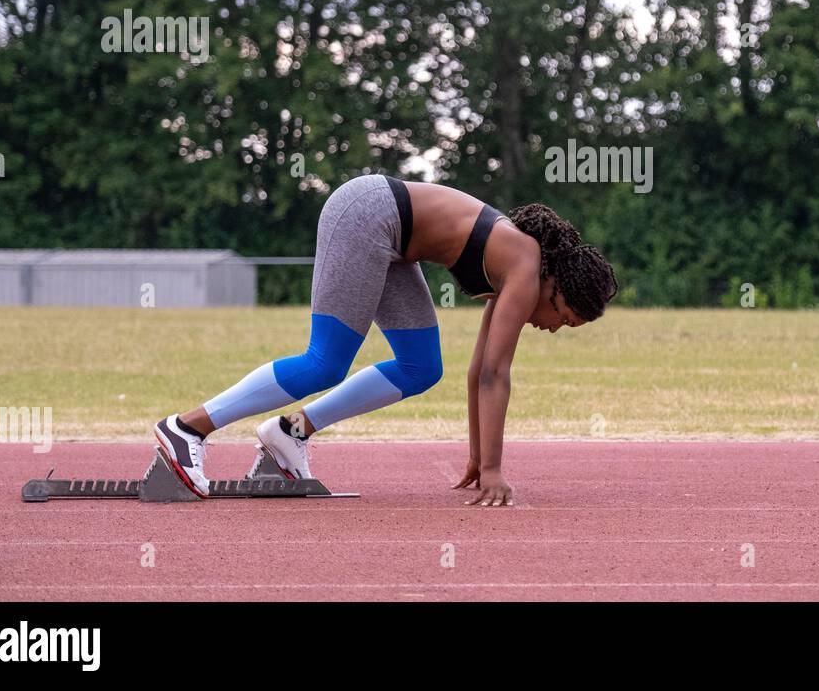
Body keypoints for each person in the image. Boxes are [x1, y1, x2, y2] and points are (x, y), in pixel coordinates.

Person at [153, 174, 617, 506]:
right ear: (558, 288)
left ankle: (290, 433)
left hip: (393, 240)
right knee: (324, 363)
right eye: (565, 319)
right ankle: (188, 428)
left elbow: (478, 370)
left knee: (421, 366)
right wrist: (495, 472)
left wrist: (479, 458)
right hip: (368, 214)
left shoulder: (519, 267)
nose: (553, 328)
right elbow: (497, 375)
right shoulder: (526, 267)